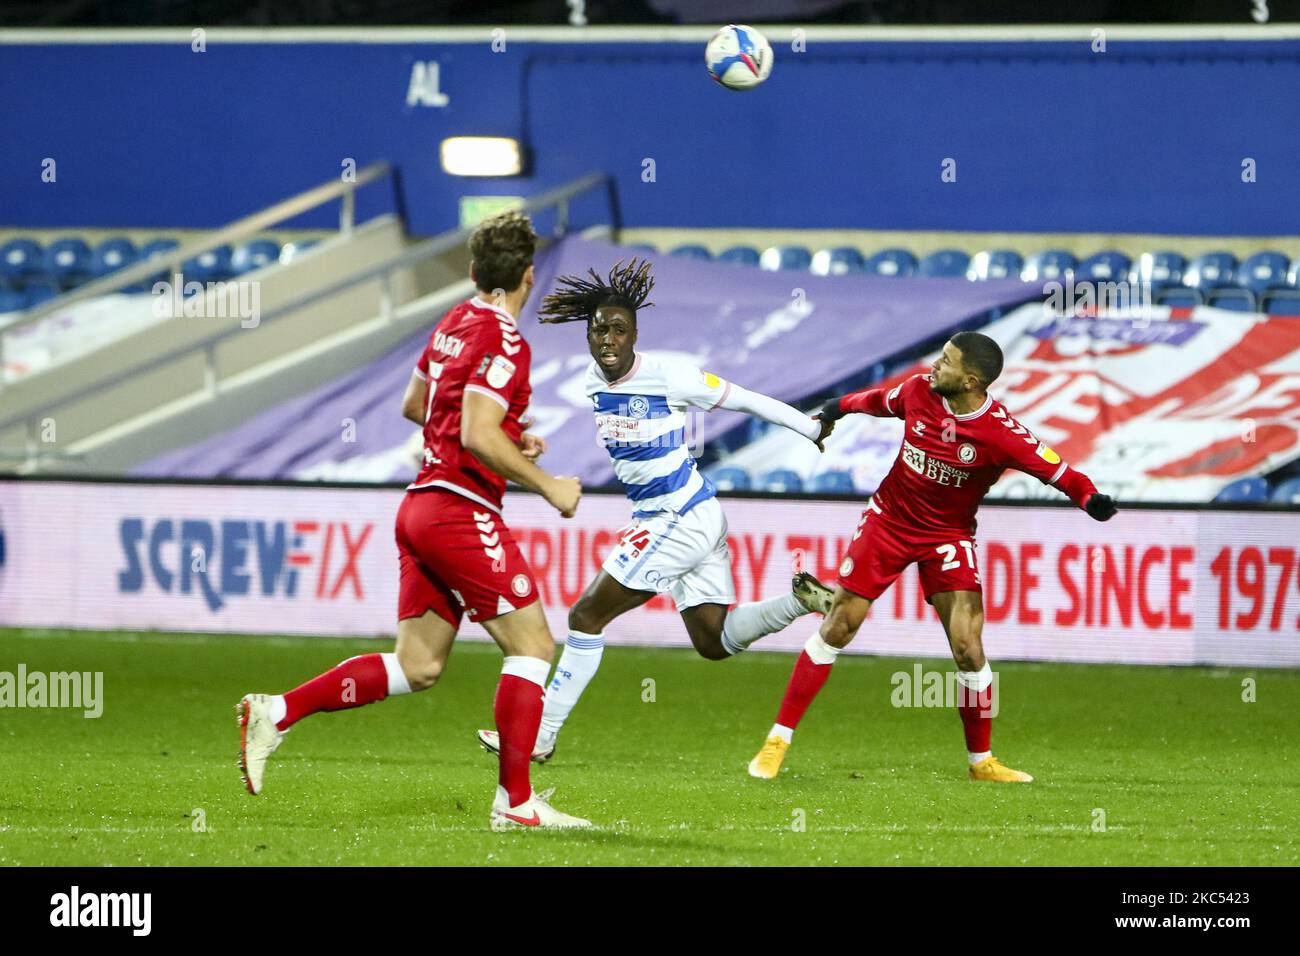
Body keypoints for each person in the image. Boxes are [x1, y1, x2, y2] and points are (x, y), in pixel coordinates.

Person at [237, 211, 592, 829]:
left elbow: (418, 406)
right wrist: (549, 486)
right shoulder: (507, 341)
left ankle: (277, 711)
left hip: (419, 506)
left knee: (418, 666)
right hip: (460, 508)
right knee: (534, 645)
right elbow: (478, 432)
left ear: (475, 271)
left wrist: (510, 436)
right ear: (529, 276)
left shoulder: (452, 322)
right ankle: (515, 803)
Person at [477, 259, 836, 764]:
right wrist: (523, 437)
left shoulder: (670, 376)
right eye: (598, 329)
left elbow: (745, 400)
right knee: (714, 641)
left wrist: (810, 427)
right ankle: (801, 602)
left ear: (635, 335)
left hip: (679, 514)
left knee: (585, 616)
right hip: (687, 513)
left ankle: (542, 732)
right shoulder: (589, 379)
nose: (606, 339)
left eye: (617, 330)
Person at [747, 330, 1118, 783]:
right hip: (888, 523)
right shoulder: (919, 392)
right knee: (841, 624)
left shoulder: (1002, 433)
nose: (934, 365)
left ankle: (981, 763)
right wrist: (835, 408)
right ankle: (777, 742)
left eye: (947, 361)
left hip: (947, 537)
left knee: (968, 647)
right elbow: (877, 400)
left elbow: (1058, 471)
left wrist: (1091, 500)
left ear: (971, 381)